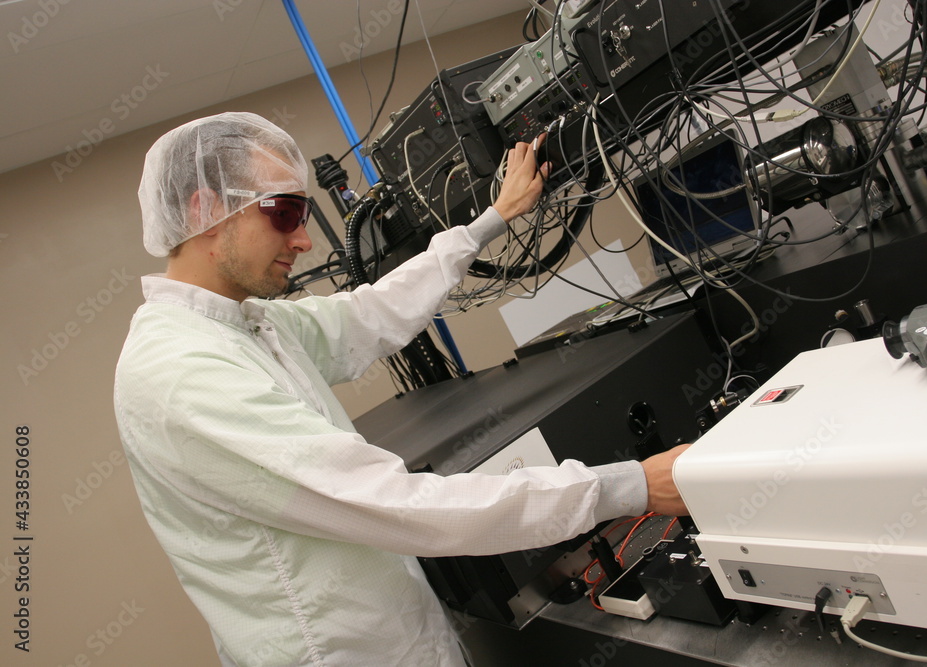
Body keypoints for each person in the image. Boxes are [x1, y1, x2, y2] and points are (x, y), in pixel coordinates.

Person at [114, 111, 690, 667]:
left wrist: (493, 218)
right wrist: (633, 485)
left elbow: (370, 314)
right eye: (286, 213)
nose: (306, 241)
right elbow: (399, 505)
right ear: (206, 209)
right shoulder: (182, 371)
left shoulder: (246, 325)